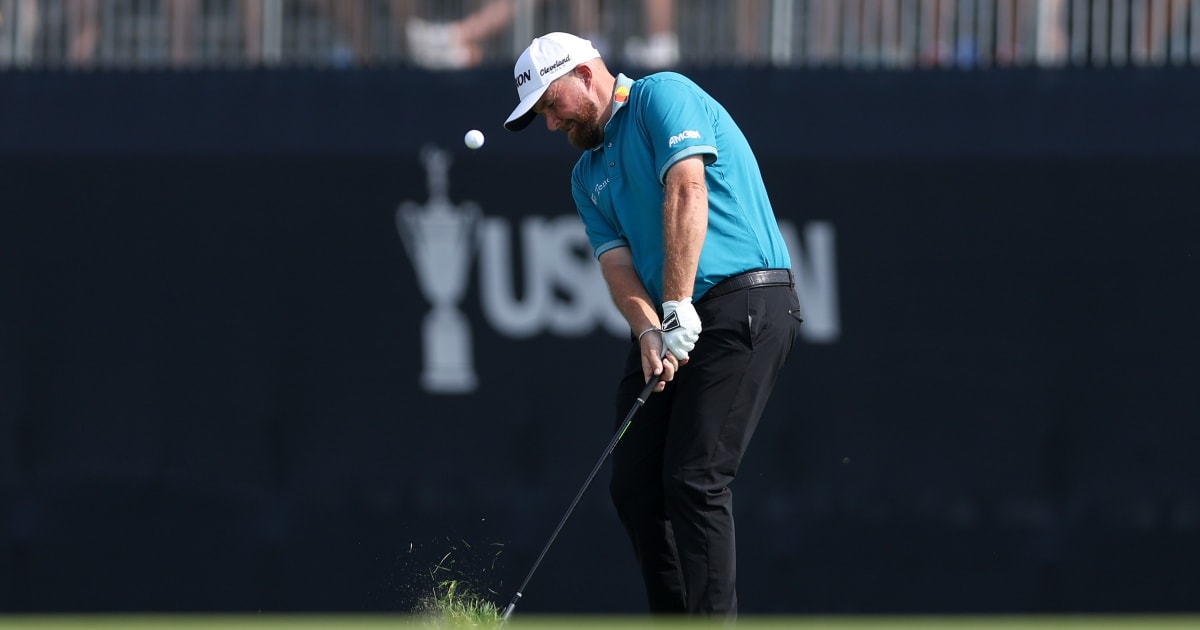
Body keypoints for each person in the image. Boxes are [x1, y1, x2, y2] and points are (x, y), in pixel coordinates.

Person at [501, 32, 802, 617]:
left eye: (550, 104)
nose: (550, 123)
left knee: (695, 478)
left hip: (746, 301)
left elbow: (687, 187)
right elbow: (618, 269)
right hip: (675, 316)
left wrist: (678, 304)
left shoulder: (663, 96)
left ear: (586, 75)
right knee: (636, 485)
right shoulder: (586, 176)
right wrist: (648, 329)